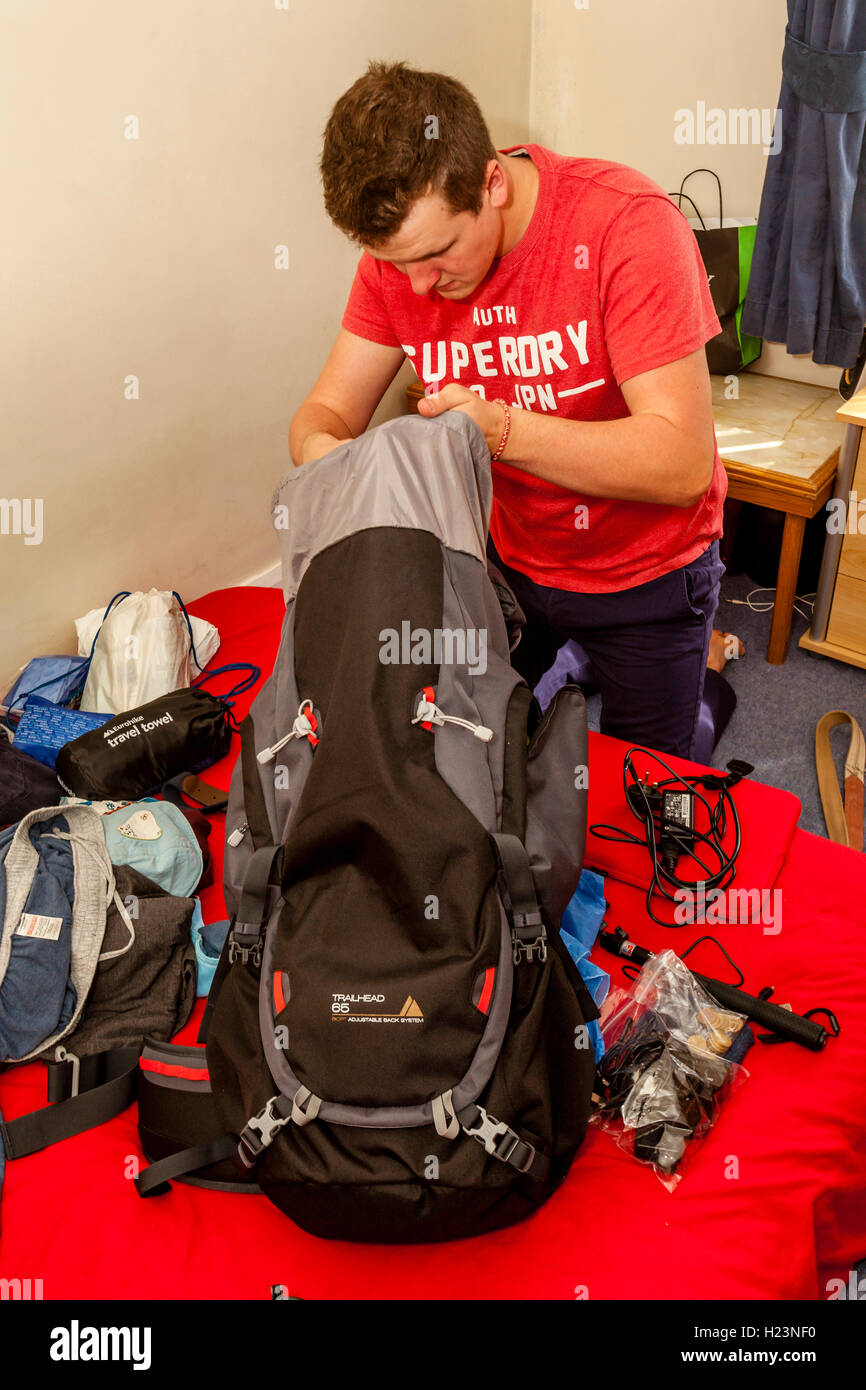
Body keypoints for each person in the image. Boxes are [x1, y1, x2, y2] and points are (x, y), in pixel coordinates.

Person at [289, 59, 740, 759]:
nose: (418, 286)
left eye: (437, 255)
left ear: (491, 182)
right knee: (474, 753)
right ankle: (578, 664)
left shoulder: (629, 226)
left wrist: (499, 430)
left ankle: (704, 674)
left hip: (647, 576)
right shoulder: (404, 263)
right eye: (395, 263)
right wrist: (344, 465)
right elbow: (321, 417)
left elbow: (682, 462)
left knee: (652, 792)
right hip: (507, 565)